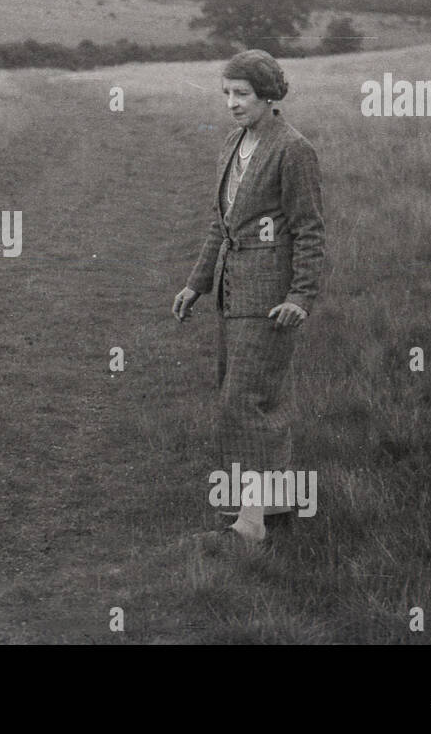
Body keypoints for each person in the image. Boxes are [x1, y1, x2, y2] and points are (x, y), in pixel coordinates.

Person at [172, 49, 325, 545]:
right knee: (249, 399)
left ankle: (250, 526)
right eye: (226, 94)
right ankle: (270, 506)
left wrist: (300, 296)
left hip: (271, 300)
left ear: (268, 95)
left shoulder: (293, 150)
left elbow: (309, 230)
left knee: (244, 402)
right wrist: (197, 284)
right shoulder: (233, 144)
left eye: (242, 94)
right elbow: (222, 226)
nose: (232, 104)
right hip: (234, 296)